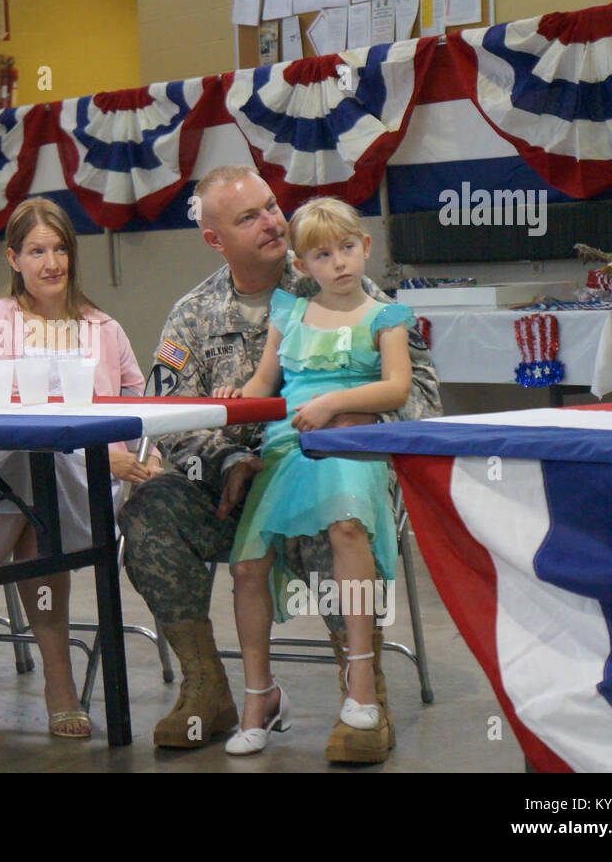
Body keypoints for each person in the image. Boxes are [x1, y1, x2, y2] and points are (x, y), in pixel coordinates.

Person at [118, 165, 441, 765]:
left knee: (329, 508)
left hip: (338, 470)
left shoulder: (337, 274)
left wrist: (355, 425)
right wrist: (231, 460)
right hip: (233, 483)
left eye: (271, 206)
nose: (272, 221)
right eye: (249, 217)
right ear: (214, 239)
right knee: (149, 509)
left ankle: (362, 689)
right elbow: (177, 417)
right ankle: (207, 687)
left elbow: (419, 395)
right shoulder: (193, 315)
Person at [0, 198, 157, 739]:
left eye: (61, 248)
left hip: (84, 487)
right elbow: (13, 410)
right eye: (37, 251)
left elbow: (140, 403)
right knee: (26, 466)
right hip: (7, 471)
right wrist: (88, 448)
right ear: (13, 258)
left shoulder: (102, 326)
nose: (51, 262)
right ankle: (58, 682)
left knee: (32, 478)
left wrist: (146, 448)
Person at [213, 197, 413, 757]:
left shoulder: (386, 315)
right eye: (323, 255)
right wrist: (236, 397)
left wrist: (333, 404)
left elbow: (396, 387)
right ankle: (259, 697)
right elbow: (262, 386)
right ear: (302, 266)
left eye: (348, 248)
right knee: (248, 563)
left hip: (351, 443)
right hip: (289, 444)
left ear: (366, 247)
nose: (340, 263)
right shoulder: (289, 313)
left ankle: (362, 687)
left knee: (348, 526)